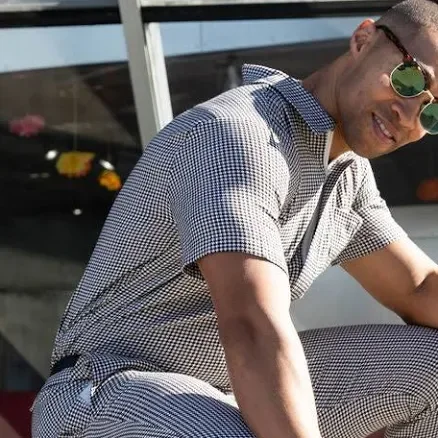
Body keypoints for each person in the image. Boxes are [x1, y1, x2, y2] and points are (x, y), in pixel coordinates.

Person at [32, 0, 438, 437]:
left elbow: (417, 287)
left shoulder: (345, 174)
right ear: (362, 40)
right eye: (410, 79)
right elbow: (252, 326)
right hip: (104, 389)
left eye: (432, 112)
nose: (409, 116)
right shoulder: (240, 135)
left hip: (220, 387)